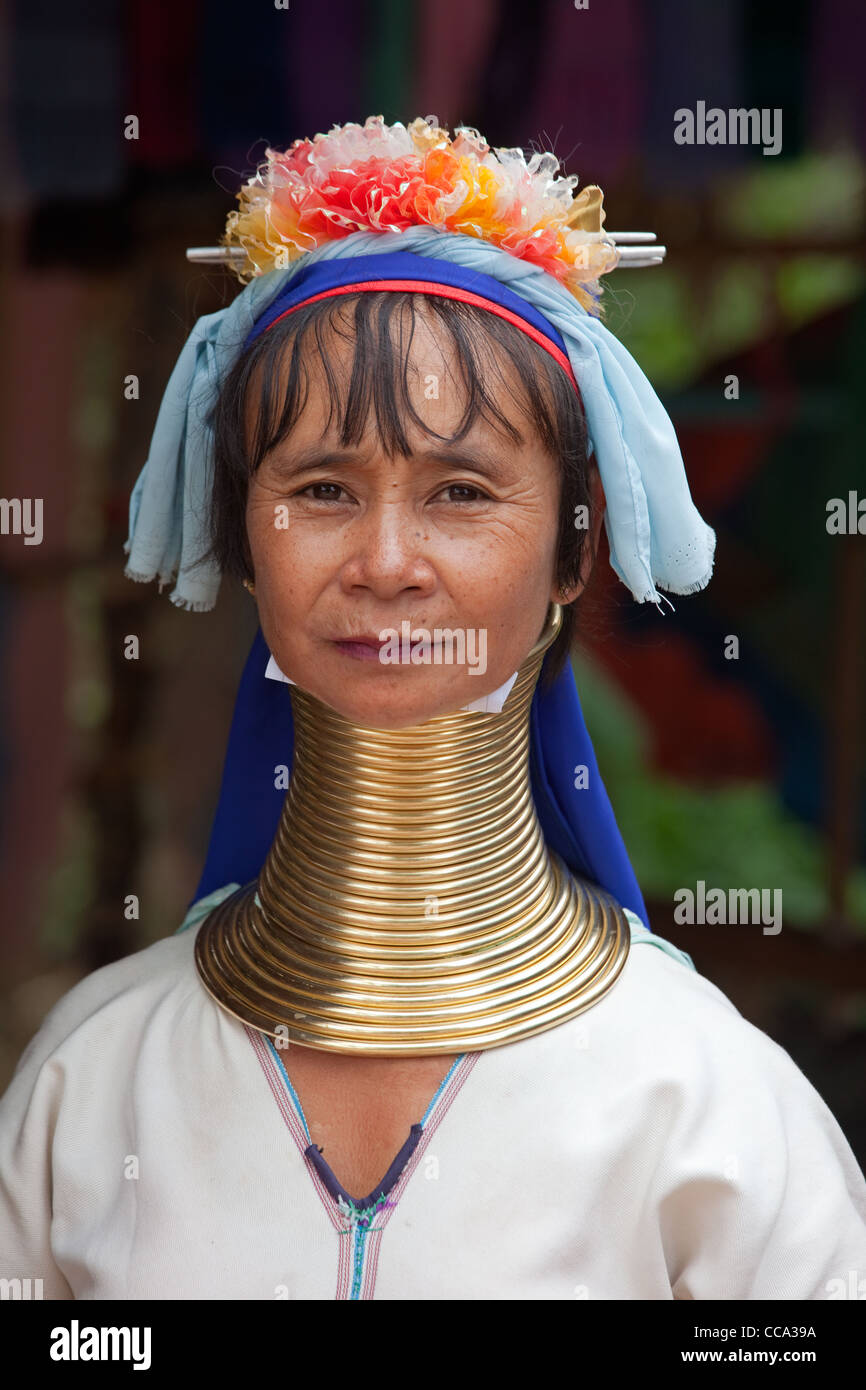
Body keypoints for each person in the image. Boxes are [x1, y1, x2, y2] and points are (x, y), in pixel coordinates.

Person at [1, 116, 864, 1301]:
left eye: (460, 491)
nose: (387, 561)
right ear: (246, 544)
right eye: (320, 489)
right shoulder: (93, 1085)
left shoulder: (708, 1107)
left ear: (575, 553)